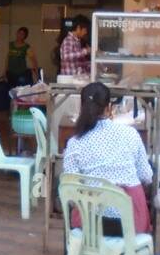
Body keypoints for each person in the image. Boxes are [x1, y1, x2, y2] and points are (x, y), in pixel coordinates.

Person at [61, 82, 153, 238]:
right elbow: (146, 176)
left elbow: (70, 191)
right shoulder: (130, 134)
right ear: (109, 107)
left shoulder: (75, 143)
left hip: (91, 225)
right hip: (131, 224)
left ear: (82, 107)